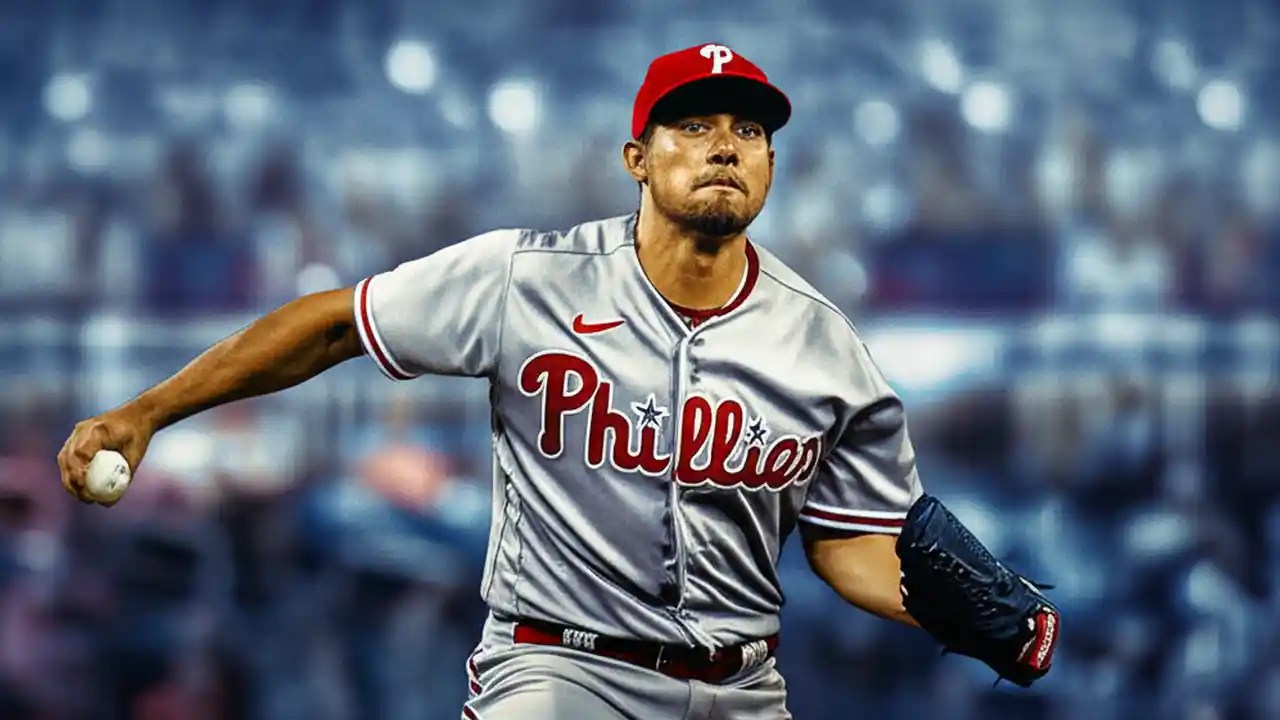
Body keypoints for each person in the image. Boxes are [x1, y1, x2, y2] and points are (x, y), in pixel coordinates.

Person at [58, 44, 923, 719]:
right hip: (564, 673)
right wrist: (149, 411)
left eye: (746, 131)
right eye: (693, 125)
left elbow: (851, 544)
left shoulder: (822, 343)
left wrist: (966, 619)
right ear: (637, 157)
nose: (723, 146)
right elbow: (332, 324)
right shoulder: (528, 278)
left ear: (771, 162)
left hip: (741, 685)